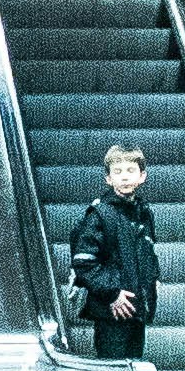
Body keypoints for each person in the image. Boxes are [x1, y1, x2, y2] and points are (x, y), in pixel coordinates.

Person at [63, 142, 160, 359]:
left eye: (130, 171)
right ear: (108, 179)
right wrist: (112, 293)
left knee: (133, 363)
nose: (124, 177)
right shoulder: (99, 214)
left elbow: (148, 253)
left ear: (142, 176)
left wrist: (153, 281)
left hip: (135, 308)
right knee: (113, 365)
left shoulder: (144, 213)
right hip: (111, 310)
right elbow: (84, 262)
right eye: (118, 172)